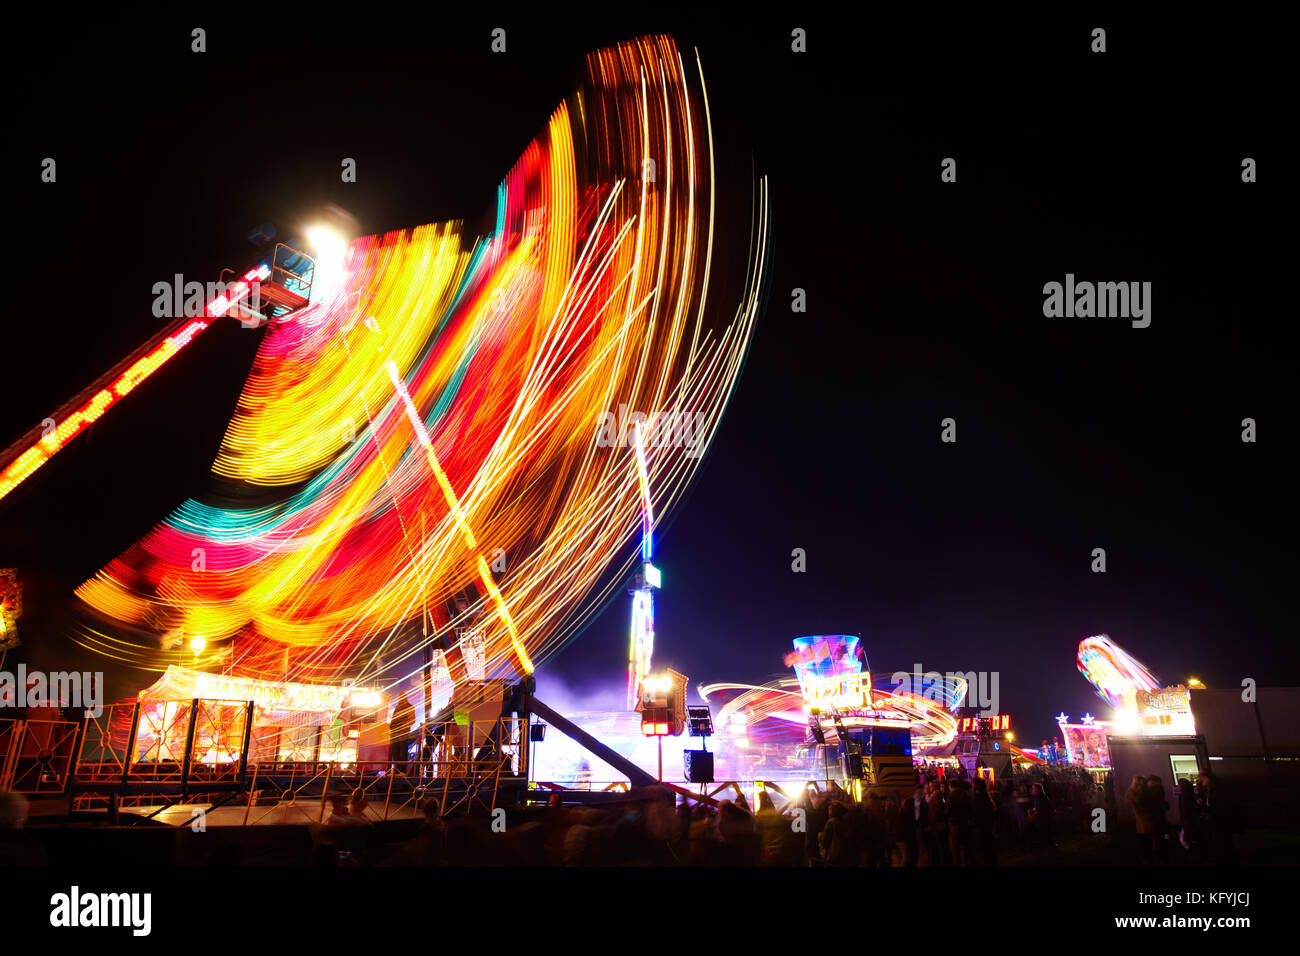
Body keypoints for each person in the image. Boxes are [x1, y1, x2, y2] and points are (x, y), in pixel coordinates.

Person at [1126, 776, 1155, 865]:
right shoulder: (1147, 793)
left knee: (1144, 845)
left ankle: (1146, 861)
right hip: (1148, 823)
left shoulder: (1134, 795)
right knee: (1148, 844)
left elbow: (1129, 798)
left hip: (1142, 824)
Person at [389, 694, 415, 767]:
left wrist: (404, 727)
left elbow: (412, 720)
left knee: (402, 752)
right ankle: (397, 770)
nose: (400, 699)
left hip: (402, 732)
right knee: (395, 752)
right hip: (396, 732)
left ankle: (401, 771)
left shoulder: (409, 707)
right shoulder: (398, 707)